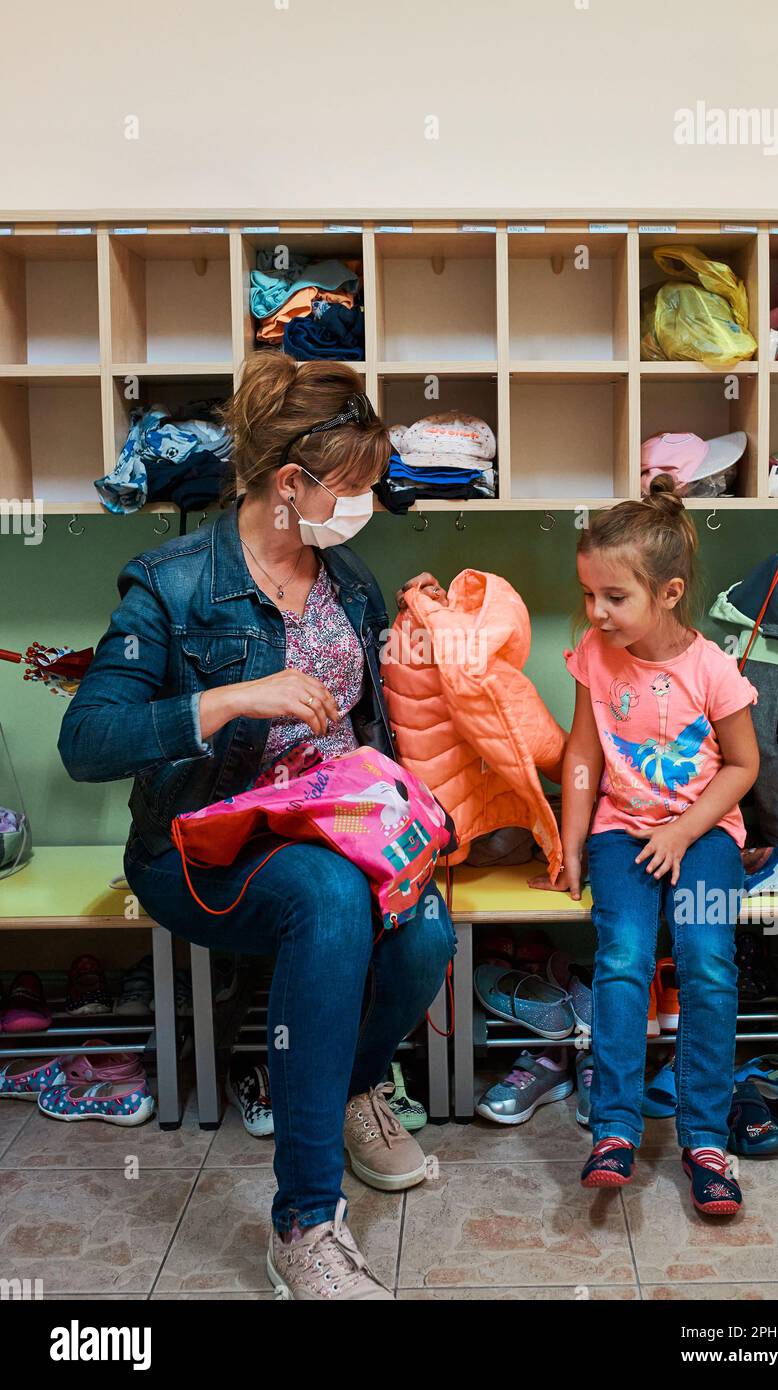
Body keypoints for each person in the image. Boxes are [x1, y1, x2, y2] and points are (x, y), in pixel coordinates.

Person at [58, 353, 457, 1299]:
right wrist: (236, 697)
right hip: (200, 849)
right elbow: (89, 739)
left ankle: (345, 1088)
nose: (367, 503)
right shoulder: (171, 585)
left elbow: (369, 730)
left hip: (337, 832)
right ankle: (305, 1226)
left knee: (427, 928)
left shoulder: (347, 579)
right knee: (327, 901)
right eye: (354, 486)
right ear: (293, 485)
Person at [545, 476, 760, 1216]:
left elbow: (743, 766)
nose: (595, 613)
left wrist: (683, 829)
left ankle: (705, 1137)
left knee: (705, 961)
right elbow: (582, 754)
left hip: (701, 837)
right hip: (620, 835)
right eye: (589, 595)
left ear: (668, 593)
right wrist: (572, 843)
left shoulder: (713, 669)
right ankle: (614, 1128)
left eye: (613, 598)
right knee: (625, 956)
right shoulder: (593, 656)